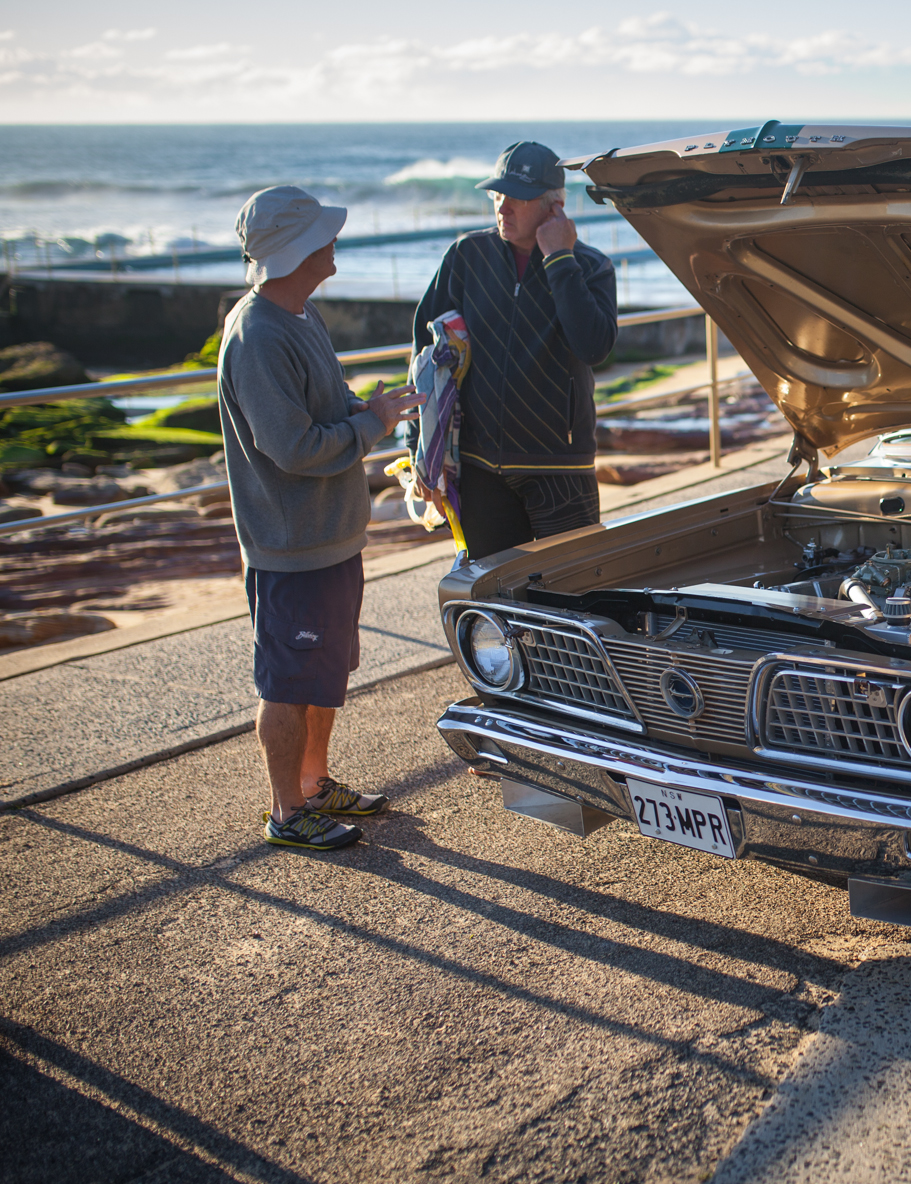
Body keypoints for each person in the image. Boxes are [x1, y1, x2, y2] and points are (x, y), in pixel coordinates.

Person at [219, 186, 427, 851]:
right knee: (287, 682)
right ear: (299, 249)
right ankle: (287, 812)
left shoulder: (299, 314)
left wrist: (369, 411)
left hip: (329, 539)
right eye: (324, 234)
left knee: (321, 675)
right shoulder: (257, 334)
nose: (335, 241)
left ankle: (314, 784)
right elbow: (292, 448)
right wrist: (370, 423)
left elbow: (325, 413)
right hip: (291, 546)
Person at [413, 141, 618, 561]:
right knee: (496, 603)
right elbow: (424, 355)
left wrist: (559, 258)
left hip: (561, 469)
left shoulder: (591, 266)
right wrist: (421, 452)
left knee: (573, 594)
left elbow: (594, 346)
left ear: (554, 206)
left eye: (517, 198)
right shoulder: (466, 256)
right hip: (479, 469)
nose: (502, 208)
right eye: (497, 195)